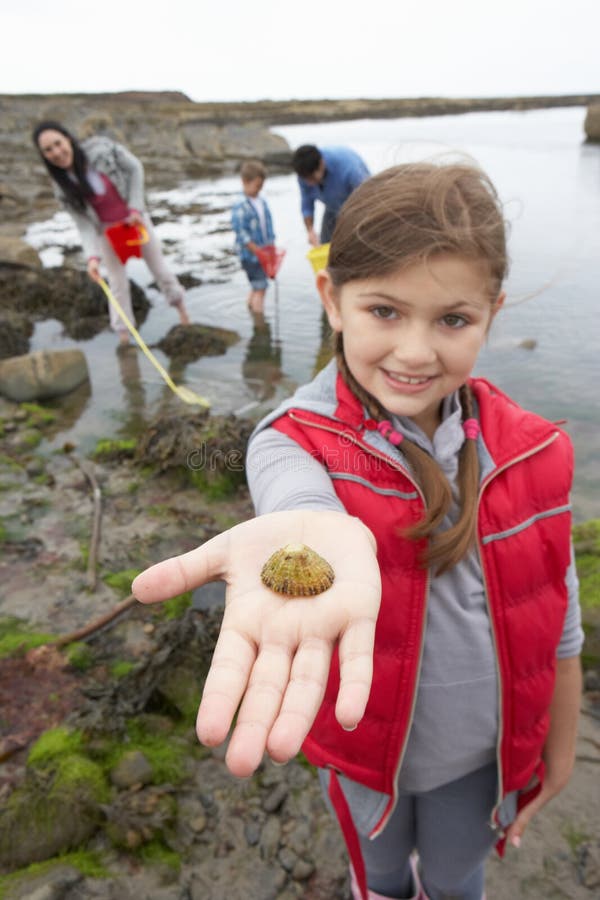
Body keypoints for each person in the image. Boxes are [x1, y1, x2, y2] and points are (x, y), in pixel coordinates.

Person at [132, 162, 583, 900]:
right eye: (385, 311)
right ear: (331, 300)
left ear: (492, 312)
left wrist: (558, 749)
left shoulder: (538, 453)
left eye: (453, 320)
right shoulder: (295, 441)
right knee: (377, 877)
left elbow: (561, 626)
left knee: (456, 878)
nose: (413, 351)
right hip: (362, 751)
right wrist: (311, 528)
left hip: (484, 759)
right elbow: (295, 498)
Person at [32, 121, 190, 345]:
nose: (57, 152)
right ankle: (124, 337)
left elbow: (135, 168)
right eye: (48, 150)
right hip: (107, 232)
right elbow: (85, 226)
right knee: (117, 285)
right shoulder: (62, 188)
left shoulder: (103, 150)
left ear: (68, 138)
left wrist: (135, 207)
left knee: (161, 271)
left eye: (58, 144)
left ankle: (184, 315)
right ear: (44, 156)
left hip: (135, 222)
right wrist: (92, 258)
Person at [292, 143, 370, 246]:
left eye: (312, 178)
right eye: (305, 179)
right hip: (332, 207)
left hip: (360, 205)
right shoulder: (304, 174)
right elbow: (307, 204)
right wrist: (310, 231)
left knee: (357, 243)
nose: (309, 184)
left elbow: (369, 197)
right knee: (326, 244)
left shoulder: (351, 169)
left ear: (321, 163)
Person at [230, 160, 276, 314]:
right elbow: (241, 233)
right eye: (257, 186)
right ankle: (259, 323)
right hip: (250, 256)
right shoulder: (240, 205)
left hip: (263, 253)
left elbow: (268, 226)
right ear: (245, 181)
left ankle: (250, 309)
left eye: (261, 186)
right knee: (261, 287)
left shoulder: (262, 202)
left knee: (256, 286)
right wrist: (257, 251)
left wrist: (271, 248)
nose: (259, 189)